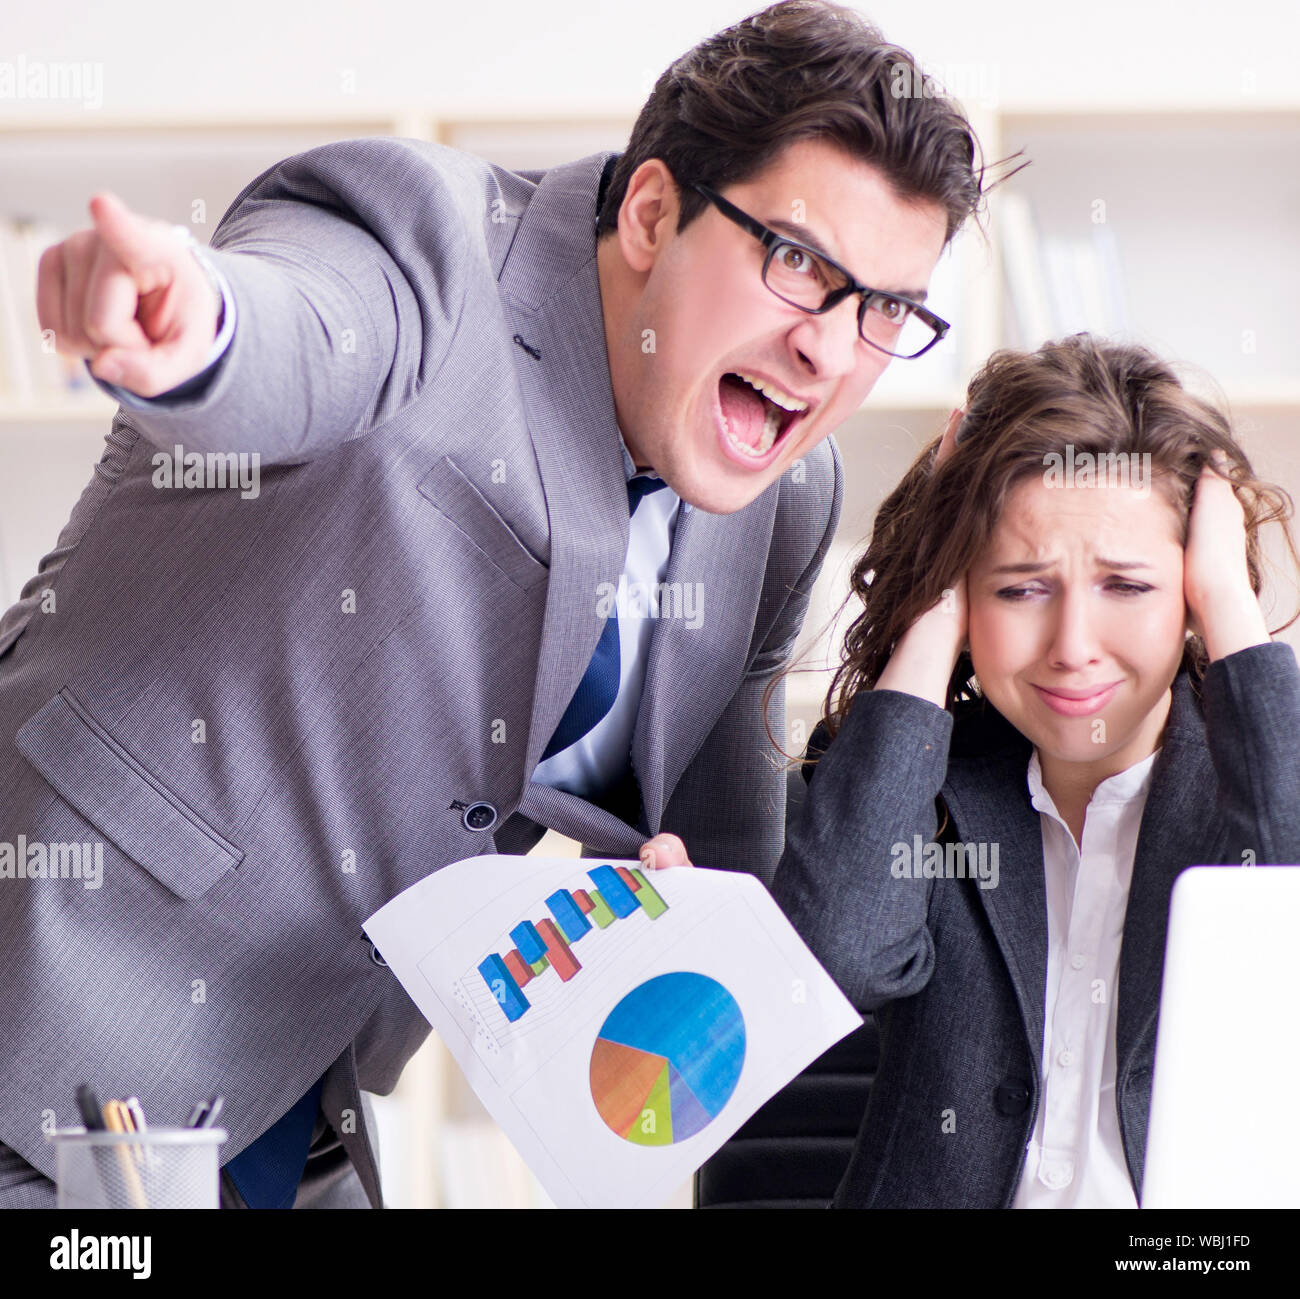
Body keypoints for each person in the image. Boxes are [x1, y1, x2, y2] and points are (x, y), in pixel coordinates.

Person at [0, 2, 990, 1207]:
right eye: (797, 263)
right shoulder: (429, 248)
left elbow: (741, 880)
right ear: (650, 212)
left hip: (294, 1110)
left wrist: (676, 920)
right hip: (50, 1017)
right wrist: (187, 327)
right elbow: (292, 331)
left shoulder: (780, 503)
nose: (831, 352)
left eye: (886, 308)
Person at [643, 333, 1300, 1207]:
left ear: (1189, 596)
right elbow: (840, 963)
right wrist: (929, 606)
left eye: (1128, 586)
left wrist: (1229, 600)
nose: (1072, 649)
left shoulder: (1246, 786)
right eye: (1020, 587)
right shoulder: (915, 785)